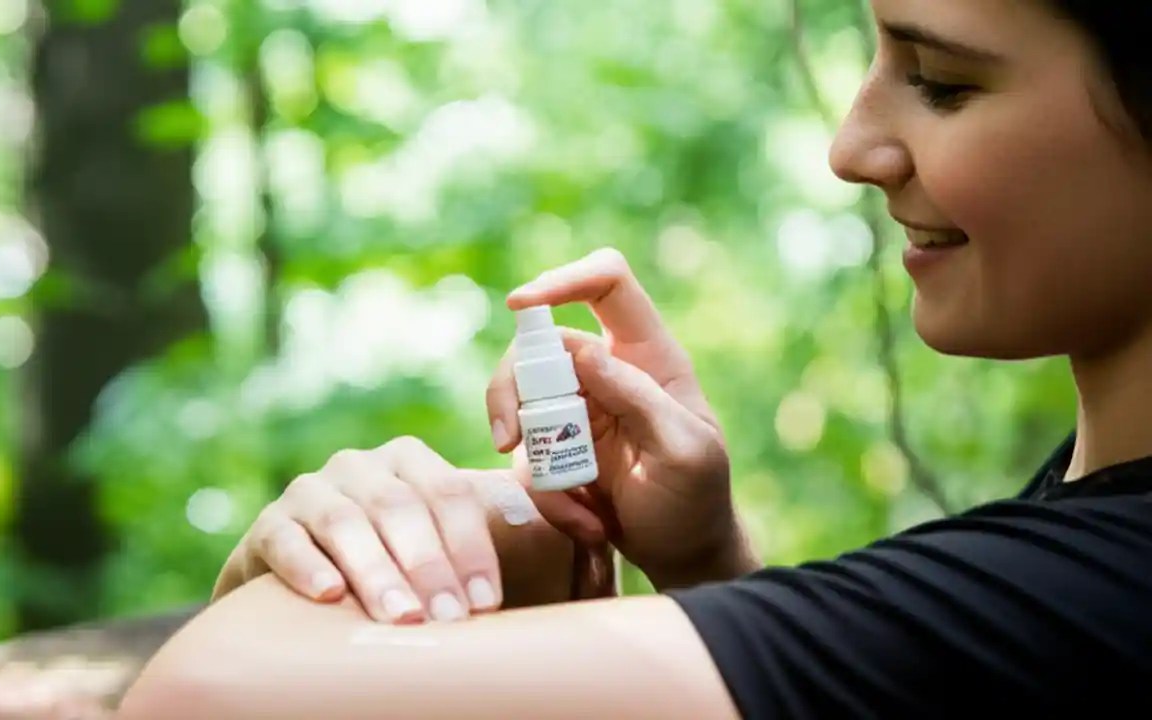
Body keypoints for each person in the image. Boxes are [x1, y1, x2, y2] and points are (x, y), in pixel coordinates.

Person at [118, 1, 1152, 717]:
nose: (850, 146)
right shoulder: (1078, 523)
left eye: (939, 83)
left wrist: (358, 579)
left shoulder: (1099, 586)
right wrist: (707, 573)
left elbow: (199, 701)